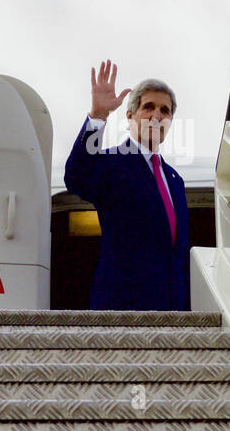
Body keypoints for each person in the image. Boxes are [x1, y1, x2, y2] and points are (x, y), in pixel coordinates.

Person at [63, 59, 190, 311]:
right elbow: (77, 178)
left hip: (172, 312)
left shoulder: (175, 180)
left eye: (165, 111)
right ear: (130, 115)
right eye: (149, 107)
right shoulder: (112, 163)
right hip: (123, 308)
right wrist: (98, 116)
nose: (157, 115)